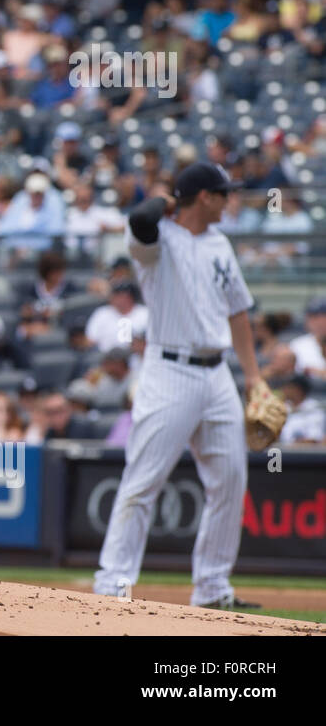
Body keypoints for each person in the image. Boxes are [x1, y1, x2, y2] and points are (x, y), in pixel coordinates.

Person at [93, 162, 263, 610]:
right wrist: (171, 200)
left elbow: (239, 313)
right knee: (143, 480)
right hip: (169, 370)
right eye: (223, 193)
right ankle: (113, 584)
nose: (231, 200)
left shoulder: (220, 244)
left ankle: (212, 588)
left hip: (217, 373)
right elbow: (140, 220)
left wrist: (255, 378)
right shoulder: (157, 240)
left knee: (230, 480)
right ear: (203, 197)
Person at [278, 375, 324, 444]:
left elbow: (313, 439)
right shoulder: (282, 407)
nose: (284, 390)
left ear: (298, 390)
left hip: (304, 453)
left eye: (289, 387)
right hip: (280, 451)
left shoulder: (314, 409)